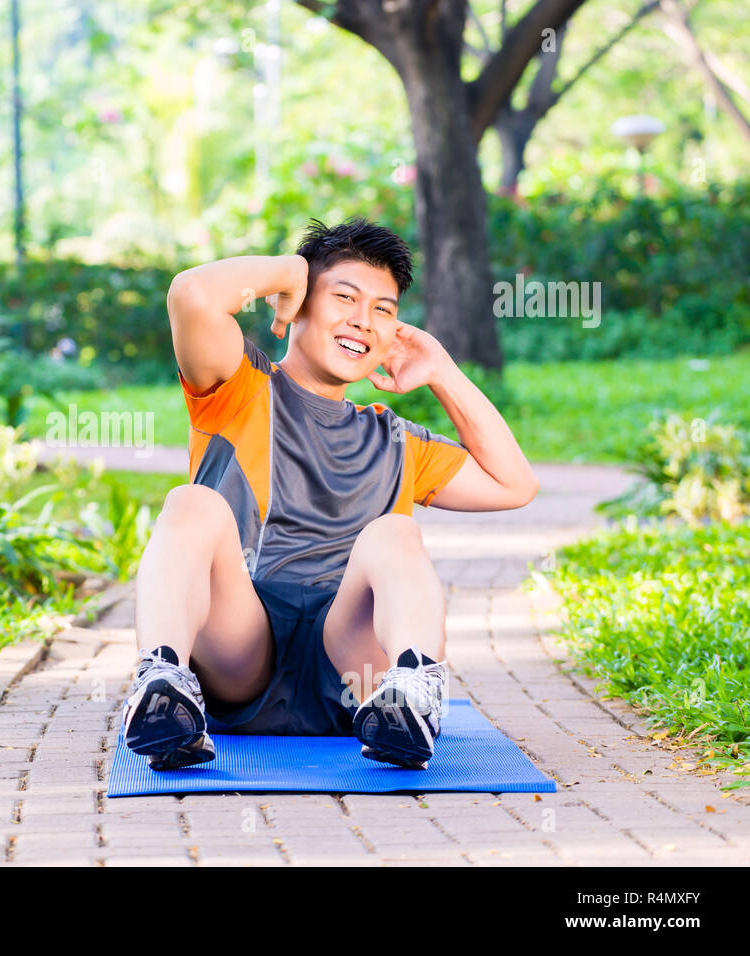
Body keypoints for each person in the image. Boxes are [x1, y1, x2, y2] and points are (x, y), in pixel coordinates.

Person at [122, 218, 538, 771]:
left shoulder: (399, 441)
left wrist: (441, 369)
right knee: (189, 503)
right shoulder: (239, 388)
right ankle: (162, 688)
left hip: (353, 674)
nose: (363, 320)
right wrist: (290, 271)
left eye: (384, 310)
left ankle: (413, 692)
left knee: (396, 532)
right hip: (240, 657)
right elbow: (192, 294)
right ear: (298, 305)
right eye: (344, 296)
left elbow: (515, 485)